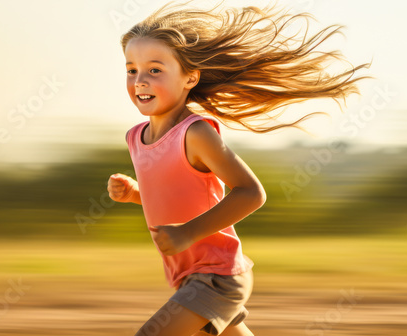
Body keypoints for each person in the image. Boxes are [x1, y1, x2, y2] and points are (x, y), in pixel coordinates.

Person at [106, 2, 370, 335]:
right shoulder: (136, 138)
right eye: (132, 70)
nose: (140, 80)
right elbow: (176, 196)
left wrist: (187, 233)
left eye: (155, 70)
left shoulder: (196, 133)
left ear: (190, 77)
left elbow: (251, 193)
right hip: (187, 274)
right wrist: (135, 195)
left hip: (217, 275)